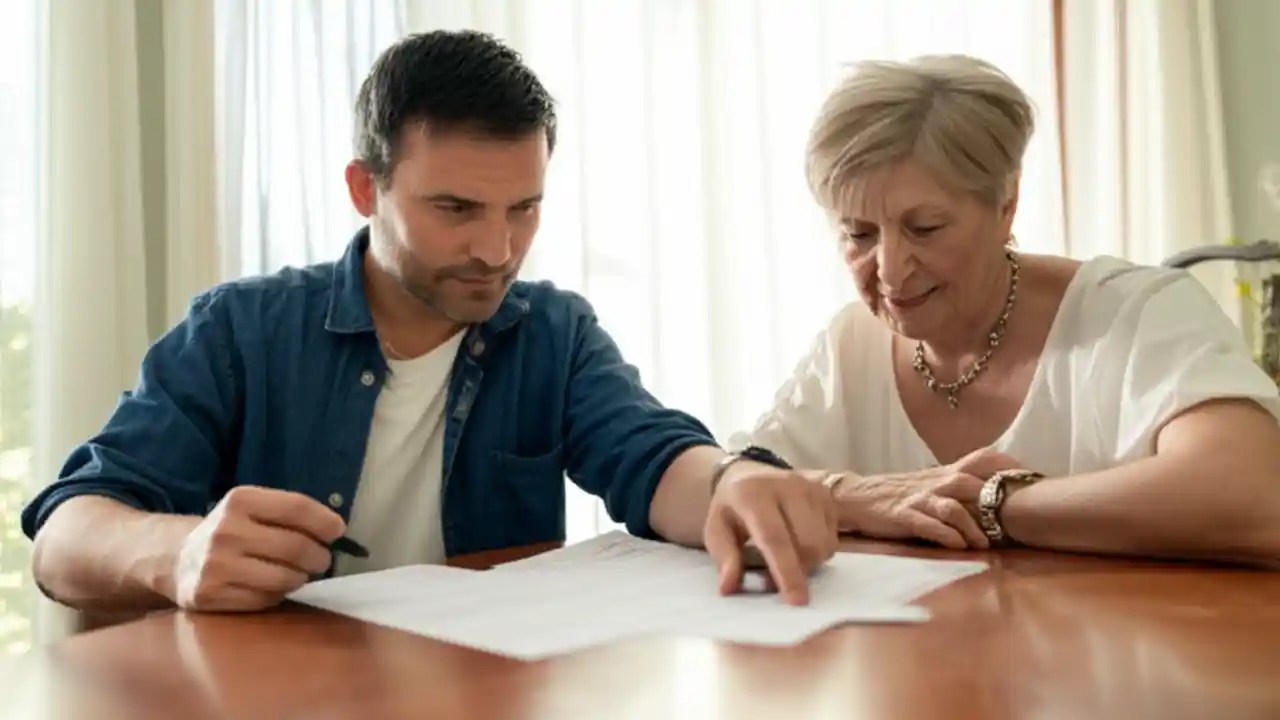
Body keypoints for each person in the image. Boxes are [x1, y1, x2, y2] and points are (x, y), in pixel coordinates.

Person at [23, 30, 838, 614]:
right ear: (363, 189)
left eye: (524, 208)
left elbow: (651, 458)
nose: (497, 250)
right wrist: (179, 553)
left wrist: (735, 482)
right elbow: (64, 535)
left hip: (475, 695)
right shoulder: (240, 330)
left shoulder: (552, 333)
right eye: (455, 208)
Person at [736, 55, 1280, 563]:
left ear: (1006, 204)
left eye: (925, 228)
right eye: (859, 234)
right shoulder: (850, 345)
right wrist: (858, 498)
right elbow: (736, 486)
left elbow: (1255, 495)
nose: (890, 270)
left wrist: (992, 504)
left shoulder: (1136, 314)